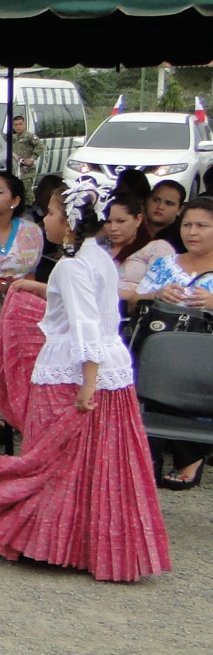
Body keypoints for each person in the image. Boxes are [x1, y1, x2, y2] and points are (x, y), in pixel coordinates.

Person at [0, 180, 171, 582]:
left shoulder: (74, 265)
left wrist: (87, 383)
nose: (47, 222)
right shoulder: (99, 258)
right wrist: (37, 288)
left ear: (70, 223)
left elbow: (85, 323)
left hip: (75, 370)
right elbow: (88, 305)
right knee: (94, 461)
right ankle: (80, 544)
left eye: (53, 215)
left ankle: (45, 539)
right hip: (111, 367)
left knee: (54, 460)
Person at [131, 195, 213, 488]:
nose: (192, 232)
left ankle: (190, 455)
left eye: (202, 225)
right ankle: (145, 456)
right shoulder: (165, 264)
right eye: (188, 224)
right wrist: (156, 295)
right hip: (159, 350)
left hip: (205, 359)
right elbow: (134, 304)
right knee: (156, 366)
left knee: (183, 369)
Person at [103, 192, 175, 304]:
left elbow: (162, 291)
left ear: (138, 220)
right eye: (108, 222)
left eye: (121, 221)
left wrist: (112, 292)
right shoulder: (99, 249)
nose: (113, 228)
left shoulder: (157, 248)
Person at [142, 180, 186, 252]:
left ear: (180, 210)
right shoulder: (133, 227)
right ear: (147, 200)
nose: (160, 207)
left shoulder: (184, 238)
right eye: (156, 200)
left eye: (169, 203)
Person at [11, 114, 43, 191]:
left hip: (26, 170)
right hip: (16, 169)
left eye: (20, 124)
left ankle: (30, 203)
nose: (18, 126)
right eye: (15, 125)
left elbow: (40, 147)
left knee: (26, 191)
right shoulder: (13, 138)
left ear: (24, 124)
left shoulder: (30, 136)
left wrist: (31, 158)